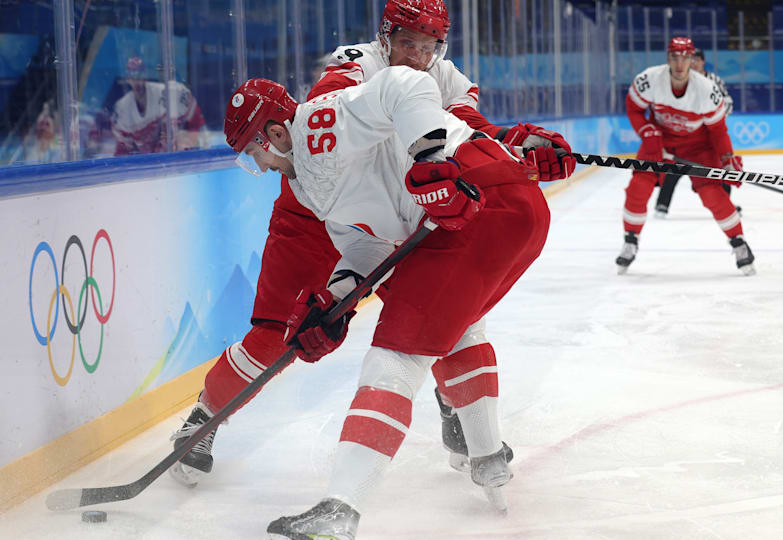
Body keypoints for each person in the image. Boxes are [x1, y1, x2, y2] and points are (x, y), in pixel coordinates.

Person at [167, 0, 567, 488]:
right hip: (311, 209)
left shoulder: (448, 78)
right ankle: (204, 418)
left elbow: (467, 136)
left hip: (402, 203)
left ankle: (460, 412)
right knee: (280, 330)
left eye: (429, 46)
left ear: (441, 45)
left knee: (437, 311)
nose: (417, 55)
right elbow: (319, 133)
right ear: (385, 36)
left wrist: (518, 147)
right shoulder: (353, 65)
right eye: (406, 43)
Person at [224, 67, 569, 538]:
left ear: (276, 132)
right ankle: (488, 458)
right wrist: (334, 301)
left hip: (479, 200)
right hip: (506, 212)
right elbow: (366, 248)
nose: (259, 165)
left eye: (253, 151)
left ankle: (340, 509)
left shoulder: (319, 122)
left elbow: (405, 84)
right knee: (457, 330)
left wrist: (428, 158)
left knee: (394, 358)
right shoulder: (308, 185)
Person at [618, 36, 755, 276]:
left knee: (714, 195)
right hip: (659, 141)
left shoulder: (706, 89)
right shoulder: (650, 79)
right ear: (668, 58)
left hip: (699, 146)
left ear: (691, 59)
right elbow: (634, 107)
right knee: (638, 188)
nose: (680, 64)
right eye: (674, 58)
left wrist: (726, 159)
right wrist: (647, 132)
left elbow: (718, 130)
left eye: (685, 58)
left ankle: (739, 243)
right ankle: (630, 239)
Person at [653, 47, 736, 218]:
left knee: (720, 169)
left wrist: (713, 116)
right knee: (675, 169)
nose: (693, 63)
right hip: (687, 135)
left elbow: (728, 103)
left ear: (703, 62)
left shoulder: (714, 81)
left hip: (709, 136)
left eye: (697, 60)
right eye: (691, 59)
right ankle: (662, 205)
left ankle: (726, 204)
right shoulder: (679, 81)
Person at [111, 56, 207, 155]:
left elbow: (197, 124)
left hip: (180, 161)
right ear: (127, 79)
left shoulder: (171, 92)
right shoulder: (122, 109)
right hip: (154, 165)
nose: (136, 81)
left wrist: (189, 140)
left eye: (140, 75)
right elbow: (122, 152)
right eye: (132, 76)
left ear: (145, 75)